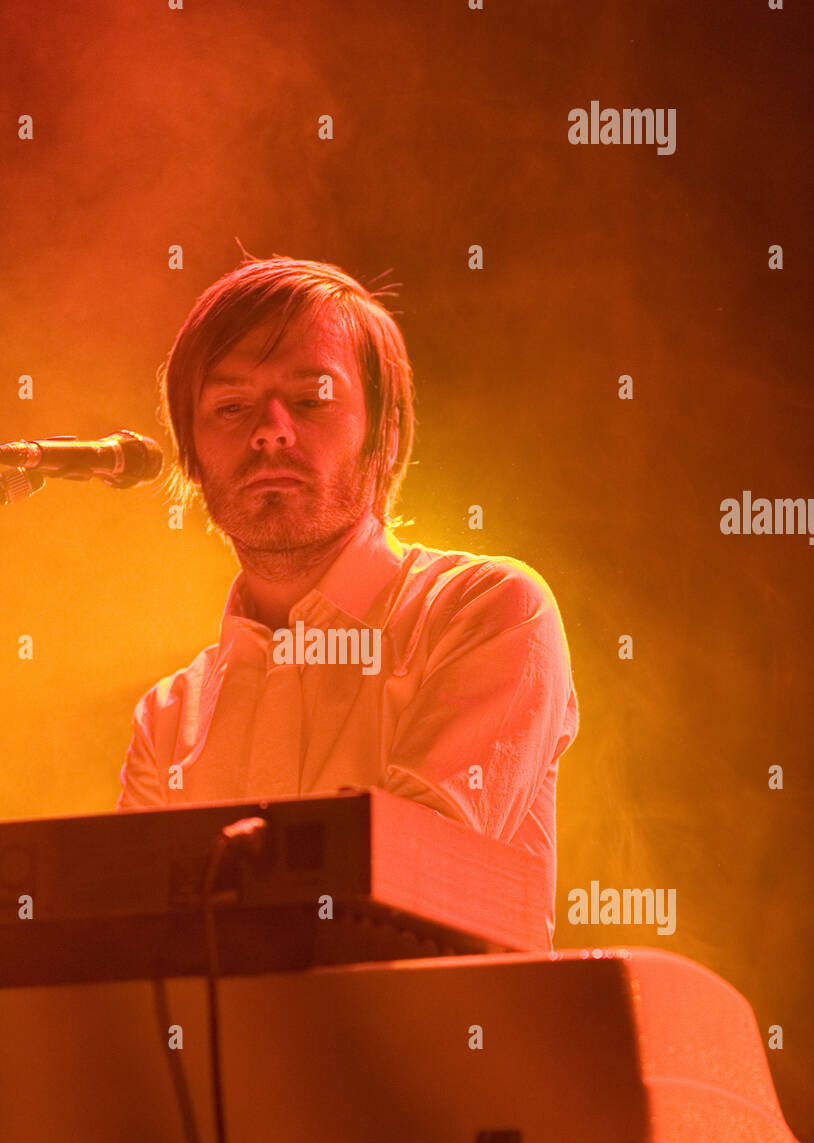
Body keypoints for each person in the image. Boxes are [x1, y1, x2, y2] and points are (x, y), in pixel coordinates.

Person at [117, 254, 579, 935]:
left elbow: (400, 895)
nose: (270, 429)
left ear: (385, 436)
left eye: (310, 400)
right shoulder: (167, 718)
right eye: (231, 405)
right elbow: (135, 948)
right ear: (191, 451)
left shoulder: (490, 609)